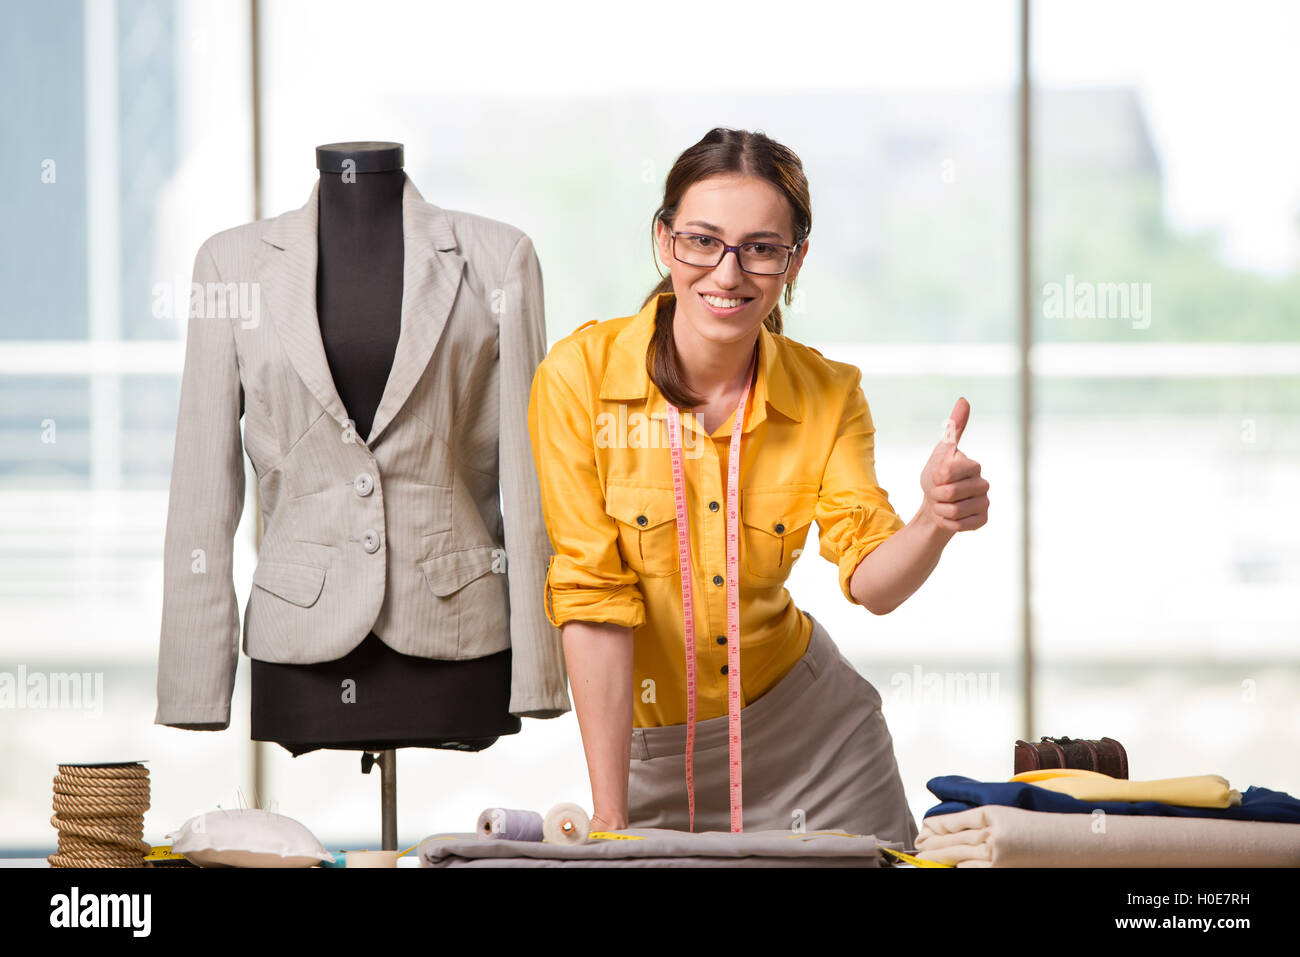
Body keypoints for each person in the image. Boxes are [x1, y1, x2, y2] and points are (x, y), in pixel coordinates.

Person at [527, 127, 989, 848]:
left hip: (815, 739)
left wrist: (933, 520)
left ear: (794, 261)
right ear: (664, 241)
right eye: (702, 240)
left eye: (761, 248)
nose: (728, 272)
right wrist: (611, 816)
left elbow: (872, 581)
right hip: (653, 754)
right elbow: (594, 599)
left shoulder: (831, 394)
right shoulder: (577, 381)